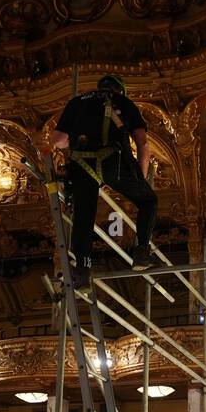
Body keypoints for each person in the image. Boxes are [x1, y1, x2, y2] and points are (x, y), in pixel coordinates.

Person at [46, 74, 157, 285]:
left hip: (81, 165)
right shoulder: (124, 102)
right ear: (119, 90)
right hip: (113, 162)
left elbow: (59, 141)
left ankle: (83, 269)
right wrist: (140, 179)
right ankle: (141, 251)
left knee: (83, 216)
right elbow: (142, 142)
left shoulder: (76, 102)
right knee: (148, 201)